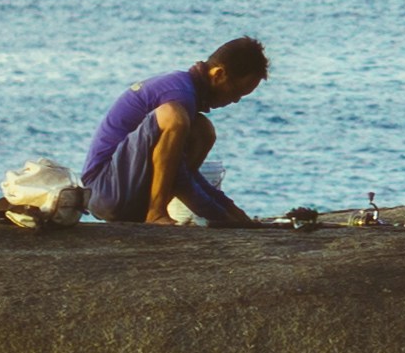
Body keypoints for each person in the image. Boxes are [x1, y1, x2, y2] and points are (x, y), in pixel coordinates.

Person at [82, 36, 271, 225]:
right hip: (103, 189)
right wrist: (221, 216)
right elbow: (180, 179)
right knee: (173, 116)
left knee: (203, 130)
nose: (236, 100)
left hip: (123, 192)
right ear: (218, 74)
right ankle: (155, 213)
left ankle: (151, 212)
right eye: (236, 91)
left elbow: (183, 173)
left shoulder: (187, 92)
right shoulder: (180, 95)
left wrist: (233, 212)